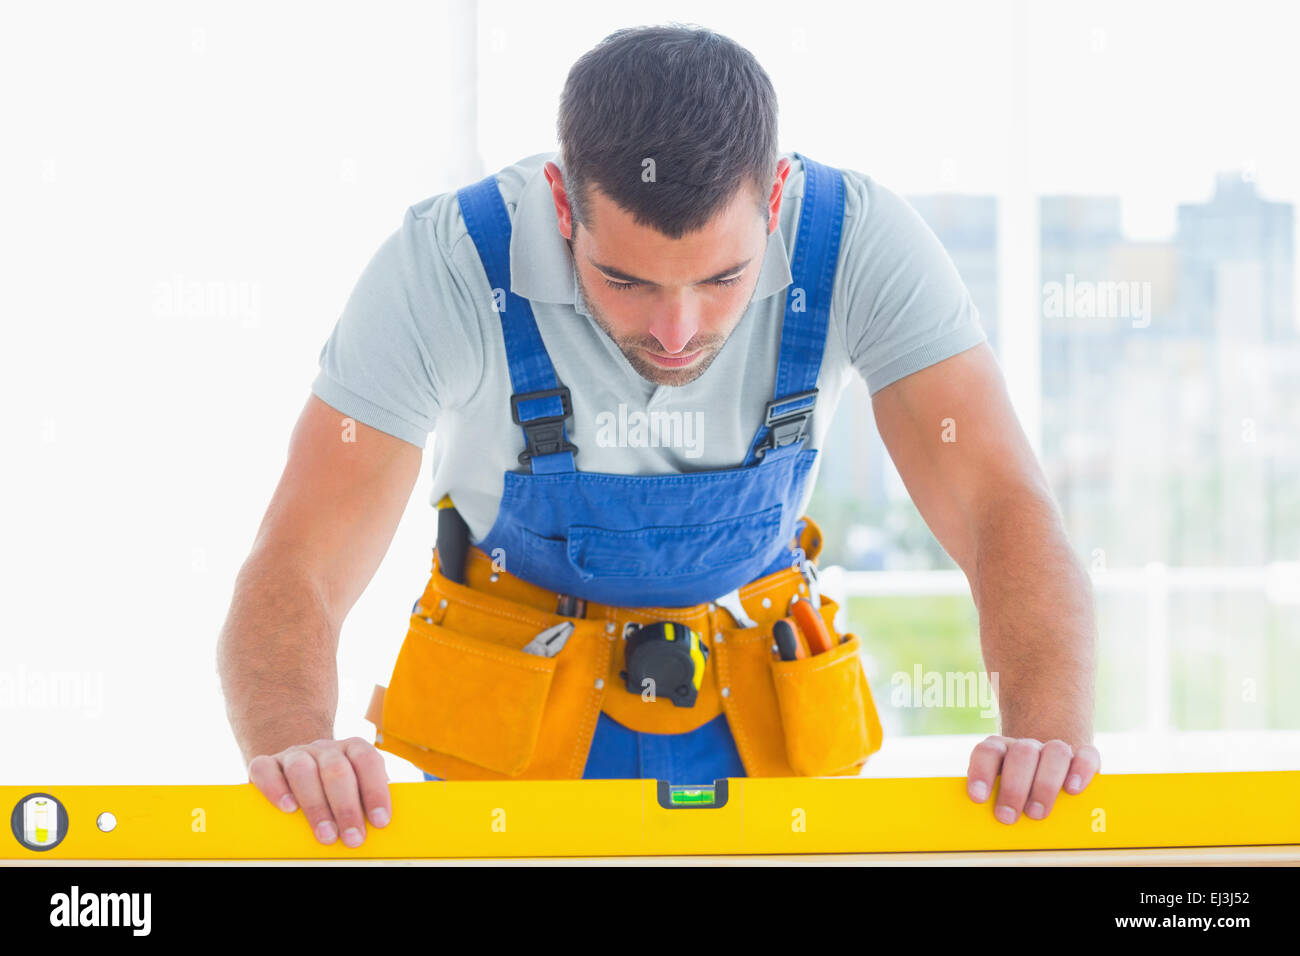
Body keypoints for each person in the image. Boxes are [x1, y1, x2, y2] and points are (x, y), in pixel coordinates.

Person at [217, 24, 1099, 850]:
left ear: (776, 198)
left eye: (724, 278)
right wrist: (298, 746)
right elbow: (301, 556)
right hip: (511, 718)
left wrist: (1045, 736)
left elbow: (999, 503)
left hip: (761, 700)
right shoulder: (445, 267)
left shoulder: (853, 240)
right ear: (563, 203)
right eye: (625, 280)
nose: (677, 332)